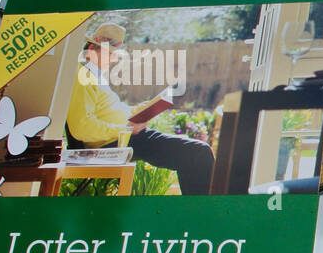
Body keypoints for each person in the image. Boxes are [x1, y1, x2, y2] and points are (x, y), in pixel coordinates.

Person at [66, 23, 213, 195]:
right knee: (198, 153)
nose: (113, 60)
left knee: (195, 154)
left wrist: (150, 107)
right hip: (118, 142)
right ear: (91, 49)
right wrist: (126, 129)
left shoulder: (94, 77)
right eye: (109, 54)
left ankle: (197, 210)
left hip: (127, 136)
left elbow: (110, 111)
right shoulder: (83, 77)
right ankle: (202, 213)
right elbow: (81, 127)